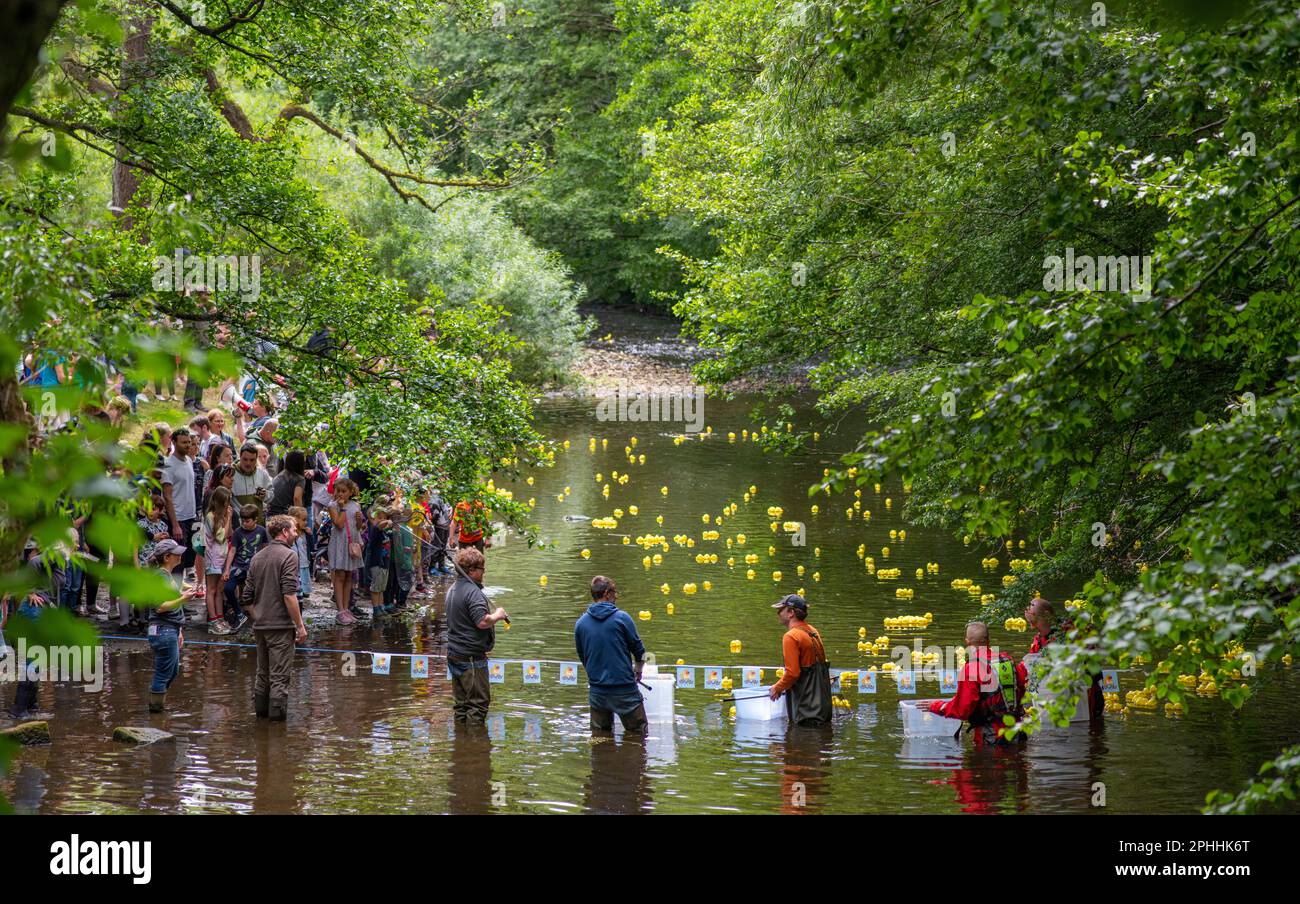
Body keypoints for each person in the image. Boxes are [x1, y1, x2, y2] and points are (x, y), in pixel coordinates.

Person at [241, 514, 307, 721]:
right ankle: (277, 729)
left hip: (260, 627)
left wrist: (258, 615)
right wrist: (300, 626)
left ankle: (261, 725)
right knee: (279, 678)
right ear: (284, 532)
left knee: (262, 674)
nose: (296, 533)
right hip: (280, 627)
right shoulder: (289, 556)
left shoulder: (258, 556)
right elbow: (289, 595)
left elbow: (245, 597)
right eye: (294, 530)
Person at [929, 621, 1027, 746]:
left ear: (967, 642)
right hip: (1018, 732)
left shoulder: (971, 669)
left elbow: (962, 710)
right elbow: (1021, 690)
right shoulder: (1008, 660)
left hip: (991, 737)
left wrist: (937, 706)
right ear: (988, 640)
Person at [574, 575, 649, 735]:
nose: (617, 595)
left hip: (597, 693)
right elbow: (639, 650)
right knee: (638, 737)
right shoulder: (622, 618)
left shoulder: (581, 624)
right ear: (607, 593)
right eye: (615, 591)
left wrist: (596, 676)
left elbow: (583, 656)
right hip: (625, 691)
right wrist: (638, 670)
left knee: (600, 740)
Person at [445, 547, 507, 725]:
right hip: (470, 659)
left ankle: (461, 747)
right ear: (471, 570)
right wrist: (499, 615)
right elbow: (482, 622)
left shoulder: (453, 590)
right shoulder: (473, 593)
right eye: (482, 569)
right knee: (478, 706)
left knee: (461, 705)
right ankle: (474, 747)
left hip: (455, 654)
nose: (484, 572)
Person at [145, 540, 204, 713]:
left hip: (170, 629)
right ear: (167, 557)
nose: (180, 556)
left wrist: (179, 630)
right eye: (176, 553)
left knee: (172, 671)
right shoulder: (160, 576)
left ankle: (158, 708)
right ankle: (156, 712)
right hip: (162, 630)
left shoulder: (167, 574)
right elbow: (160, 606)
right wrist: (183, 599)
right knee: (164, 673)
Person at [1022, 596, 1103, 721]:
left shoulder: (1073, 631)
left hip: (1085, 696)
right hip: (1057, 699)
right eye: (1029, 623)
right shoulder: (1038, 641)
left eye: (1034, 621)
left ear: (1047, 615)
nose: (1032, 627)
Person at [767, 593, 833, 726]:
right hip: (824, 709)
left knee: (799, 745)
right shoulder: (813, 631)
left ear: (791, 612)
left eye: (781, 609)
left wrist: (777, 688)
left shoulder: (791, 636)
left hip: (806, 711)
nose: (778, 613)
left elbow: (793, 673)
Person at [159, 427, 198, 579]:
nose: (188, 445)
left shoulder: (188, 460)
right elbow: (167, 496)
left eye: (189, 442)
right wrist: (175, 524)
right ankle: (174, 597)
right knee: (177, 562)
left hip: (192, 516)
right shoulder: (169, 465)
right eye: (184, 443)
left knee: (190, 557)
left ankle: (182, 592)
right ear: (174, 442)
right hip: (178, 519)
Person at [326, 477, 365, 624]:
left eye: (344, 491)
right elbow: (339, 525)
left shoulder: (355, 505)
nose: (340, 494)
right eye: (338, 491)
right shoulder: (333, 505)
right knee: (339, 575)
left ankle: (347, 608)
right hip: (339, 543)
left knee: (349, 575)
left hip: (351, 542)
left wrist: (360, 519)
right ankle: (340, 610)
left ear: (350, 492)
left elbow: (359, 527)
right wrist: (342, 508)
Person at [224, 504, 267, 633]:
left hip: (254, 568)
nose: (244, 523)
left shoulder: (262, 531)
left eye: (247, 521)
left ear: (255, 519)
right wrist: (227, 569)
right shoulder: (238, 532)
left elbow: (265, 549)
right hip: (239, 567)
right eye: (242, 521)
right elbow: (232, 551)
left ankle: (261, 619)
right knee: (228, 588)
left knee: (259, 592)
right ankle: (239, 614)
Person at [200, 486, 234, 633]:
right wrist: (229, 519)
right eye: (227, 501)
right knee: (212, 590)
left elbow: (229, 533)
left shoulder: (222, 516)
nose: (228, 504)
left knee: (220, 590)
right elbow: (220, 537)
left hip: (222, 556)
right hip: (213, 557)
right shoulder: (211, 516)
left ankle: (220, 618)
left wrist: (228, 519)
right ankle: (213, 622)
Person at [231, 441, 272, 522]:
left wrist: (265, 495)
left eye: (252, 460)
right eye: (245, 459)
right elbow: (229, 500)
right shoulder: (231, 474)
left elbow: (271, 495)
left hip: (258, 523)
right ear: (240, 456)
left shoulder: (262, 474)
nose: (248, 463)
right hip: (238, 524)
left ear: (256, 459)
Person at [364, 503, 393, 616]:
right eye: (379, 518)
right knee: (376, 587)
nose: (382, 520)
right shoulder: (375, 530)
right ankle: (376, 608)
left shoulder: (384, 532)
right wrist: (386, 522)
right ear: (372, 518)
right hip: (376, 563)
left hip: (384, 563)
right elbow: (379, 526)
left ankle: (381, 606)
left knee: (381, 587)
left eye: (384, 518)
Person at [266, 449, 306, 517]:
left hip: (271, 513)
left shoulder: (280, 475)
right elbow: (297, 498)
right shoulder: (299, 479)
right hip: (284, 515)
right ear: (300, 463)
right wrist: (300, 516)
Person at [288, 506, 312, 601]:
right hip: (295, 563)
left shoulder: (304, 533)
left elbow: (311, 545)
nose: (306, 522)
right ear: (295, 520)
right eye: (304, 520)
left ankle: (304, 592)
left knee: (304, 576)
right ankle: (298, 593)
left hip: (304, 560)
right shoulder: (290, 534)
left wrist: (310, 534)